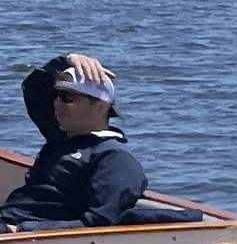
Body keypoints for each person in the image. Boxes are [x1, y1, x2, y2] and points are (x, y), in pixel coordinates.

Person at [2, 54, 148, 231]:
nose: (56, 103)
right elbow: (34, 88)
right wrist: (65, 61)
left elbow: (99, 223)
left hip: (25, 235)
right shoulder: (61, 138)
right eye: (55, 95)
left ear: (102, 106)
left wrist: (23, 229)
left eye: (67, 98)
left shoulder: (114, 158)